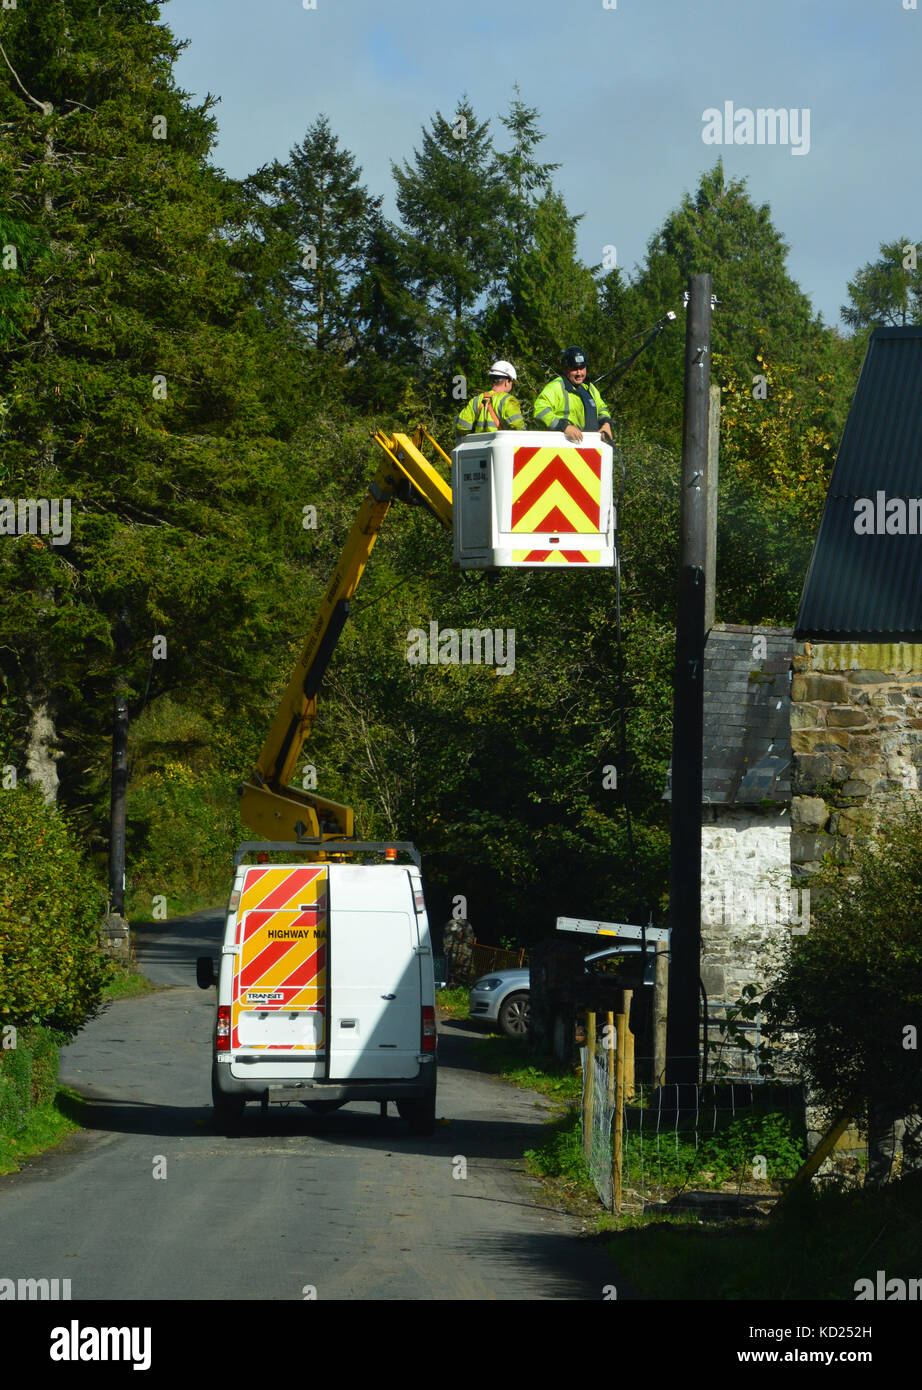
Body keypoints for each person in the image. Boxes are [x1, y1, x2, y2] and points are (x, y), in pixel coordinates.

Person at [533, 346, 613, 444]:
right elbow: (540, 411)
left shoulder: (590, 388)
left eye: (582, 368)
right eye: (574, 369)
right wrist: (564, 427)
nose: (579, 373)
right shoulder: (556, 387)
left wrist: (606, 424)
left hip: (591, 447)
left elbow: (602, 409)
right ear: (565, 369)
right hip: (563, 447)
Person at [455, 360, 525, 439]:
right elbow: (517, 426)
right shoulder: (509, 400)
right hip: (501, 448)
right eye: (512, 382)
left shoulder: (476, 400)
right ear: (507, 381)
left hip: (479, 447)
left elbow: (462, 427)